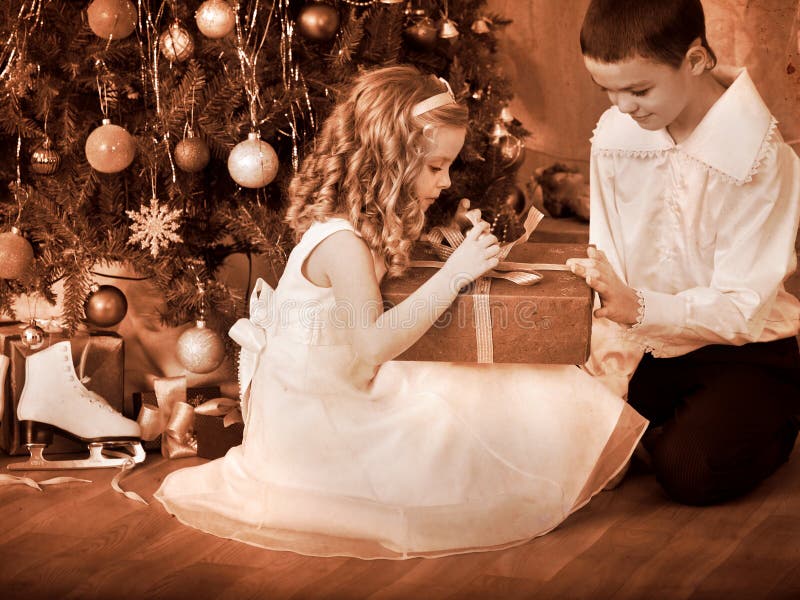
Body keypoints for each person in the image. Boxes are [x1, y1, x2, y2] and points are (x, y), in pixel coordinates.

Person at [155, 65, 647, 559]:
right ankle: (568, 462)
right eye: (435, 166)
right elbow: (371, 346)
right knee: (472, 391)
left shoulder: (362, 223)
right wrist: (455, 273)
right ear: (385, 160)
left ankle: (573, 457)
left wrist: (443, 235)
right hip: (323, 416)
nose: (447, 180)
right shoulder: (341, 240)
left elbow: (385, 283)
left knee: (483, 384)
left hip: (343, 383)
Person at [568, 0, 800, 506]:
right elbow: (606, 262)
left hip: (742, 354)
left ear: (696, 60)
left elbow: (742, 310)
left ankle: (770, 419)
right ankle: (648, 429)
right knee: (551, 438)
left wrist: (643, 308)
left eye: (638, 90)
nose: (622, 106)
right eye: (606, 89)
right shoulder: (614, 134)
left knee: (691, 468)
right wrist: (608, 374)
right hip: (643, 347)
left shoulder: (760, 156)